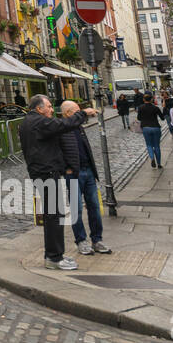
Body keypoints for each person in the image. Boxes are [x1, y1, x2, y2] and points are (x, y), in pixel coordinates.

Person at [18, 95, 97, 271]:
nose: (52, 110)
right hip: (46, 174)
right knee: (54, 216)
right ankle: (53, 257)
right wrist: (83, 113)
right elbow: (63, 125)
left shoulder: (30, 121)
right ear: (39, 109)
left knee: (54, 215)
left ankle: (54, 254)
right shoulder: (39, 122)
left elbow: (48, 144)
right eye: (48, 107)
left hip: (44, 172)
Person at [58, 101, 111, 255]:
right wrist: (65, 169)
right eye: (77, 111)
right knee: (76, 209)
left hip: (88, 171)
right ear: (68, 113)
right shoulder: (61, 128)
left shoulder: (79, 127)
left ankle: (97, 239)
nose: (80, 113)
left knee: (94, 206)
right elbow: (56, 152)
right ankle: (81, 241)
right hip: (73, 174)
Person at [137, 92, 164, 168]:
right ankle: (159, 164)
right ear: (151, 99)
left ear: (143, 100)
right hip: (155, 127)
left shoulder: (140, 107)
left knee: (149, 145)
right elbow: (162, 118)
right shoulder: (155, 108)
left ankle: (152, 158)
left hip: (146, 127)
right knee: (157, 146)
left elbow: (139, 118)